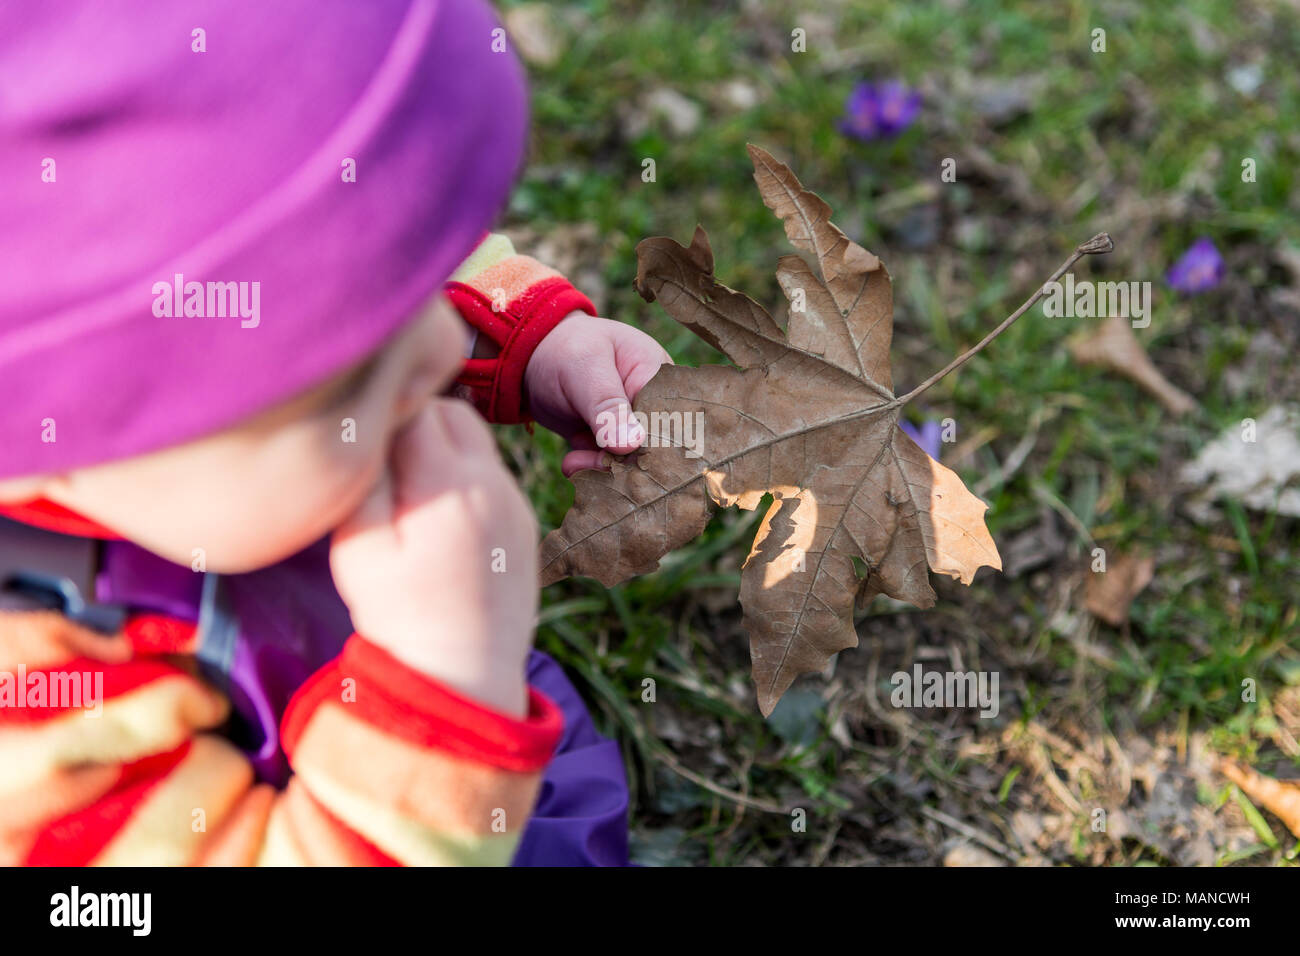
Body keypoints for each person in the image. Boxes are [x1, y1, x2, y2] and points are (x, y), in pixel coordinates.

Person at [0, 0, 669, 865]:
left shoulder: (142, 416)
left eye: (416, 292)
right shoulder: (39, 722)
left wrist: (522, 332)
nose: (436, 350)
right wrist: (443, 686)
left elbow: (350, 241)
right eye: (350, 377)